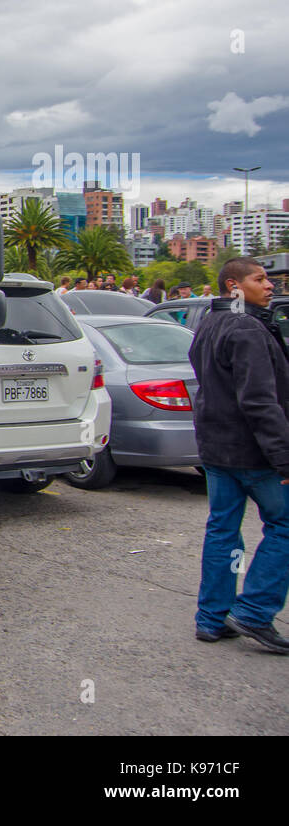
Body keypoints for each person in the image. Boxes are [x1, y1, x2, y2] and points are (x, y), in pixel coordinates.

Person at [189, 258, 289, 652]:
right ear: (234, 285)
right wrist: (284, 457)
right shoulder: (246, 327)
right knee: (283, 526)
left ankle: (212, 618)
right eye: (260, 279)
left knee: (223, 530)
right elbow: (260, 402)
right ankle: (253, 611)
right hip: (251, 453)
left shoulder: (210, 322)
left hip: (216, 448)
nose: (270, 286)